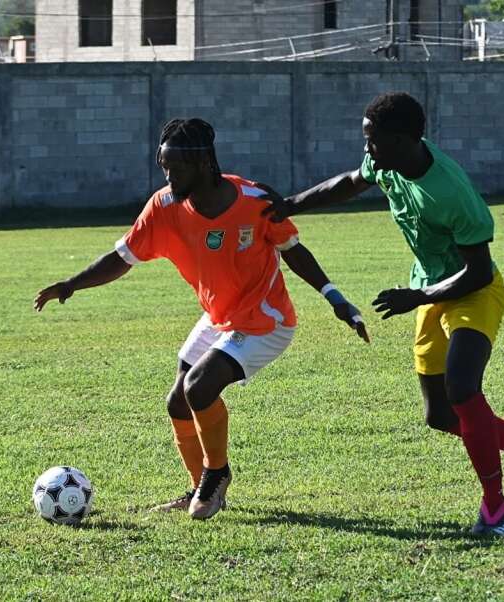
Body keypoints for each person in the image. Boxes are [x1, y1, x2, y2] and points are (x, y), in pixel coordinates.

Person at [34, 118, 368, 520]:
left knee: (198, 387)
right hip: (219, 316)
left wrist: (336, 299)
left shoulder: (252, 200)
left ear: (204, 163)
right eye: (164, 166)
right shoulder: (164, 206)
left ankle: (217, 474)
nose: (169, 175)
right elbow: (122, 257)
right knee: (178, 401)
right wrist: (72, 284)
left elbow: (294, 250)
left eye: (176, 167)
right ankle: (201, 488)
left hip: (266, 321)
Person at [263, 92, 504, 536]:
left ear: (403, 140)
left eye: (373, 141)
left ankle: (494, 507)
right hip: (427, 289)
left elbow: (476, 273)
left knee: (462, 385)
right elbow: (349, 182)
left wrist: (416, 298)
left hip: (473, 291)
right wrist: (292, 204)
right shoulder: (387, 161)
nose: (367, 150)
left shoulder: (452, 192)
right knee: (438, 415)